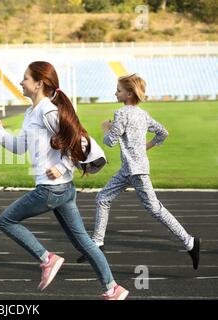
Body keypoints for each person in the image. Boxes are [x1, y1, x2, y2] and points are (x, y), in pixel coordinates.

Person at [0, 61, 129, 300]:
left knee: (6, 221)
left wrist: (63, 166)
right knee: (83, 242)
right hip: (62, 191)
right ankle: (113, 289)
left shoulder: (48, 111)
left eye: (25, 78)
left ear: (39, 83)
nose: (20, 82)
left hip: (51, 190)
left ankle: (47, 258)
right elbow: (19, 147)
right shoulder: (32, 112)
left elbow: (81, 142)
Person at [76, 73, 201, 270]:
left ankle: (190, 242)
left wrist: (105, 128)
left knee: (155, 209)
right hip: (128, 169)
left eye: (118, 90)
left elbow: (110, 141)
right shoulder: (143, 114)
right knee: (102, 198)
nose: (115, 93)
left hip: (136, 172)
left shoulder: (122, 113)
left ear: (128, 94)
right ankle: (98, 243)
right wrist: (146, 146)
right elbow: (163, 132)